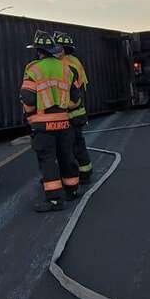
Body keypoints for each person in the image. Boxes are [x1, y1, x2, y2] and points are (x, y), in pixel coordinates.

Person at [20, 30, 82, 213]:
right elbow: (76, 99)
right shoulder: (66, 68)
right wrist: (62, 107)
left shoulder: (33, 69)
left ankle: (55, 200)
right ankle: (72, 189)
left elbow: (28, 98)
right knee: (66, 156)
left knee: (48, 161)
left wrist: (29, 114)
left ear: (39, 51)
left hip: (42, 125)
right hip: (64, 123)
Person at [54, 31, 93, 186]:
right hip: (76, 111)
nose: (55, 51)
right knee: (77, 144)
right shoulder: (74, 61)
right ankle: (85, 172)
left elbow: (70, 91)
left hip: (70, 112)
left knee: (71, 146)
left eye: (57, 48)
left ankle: (82, 174)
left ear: (63, 49)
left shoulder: (65, 65)